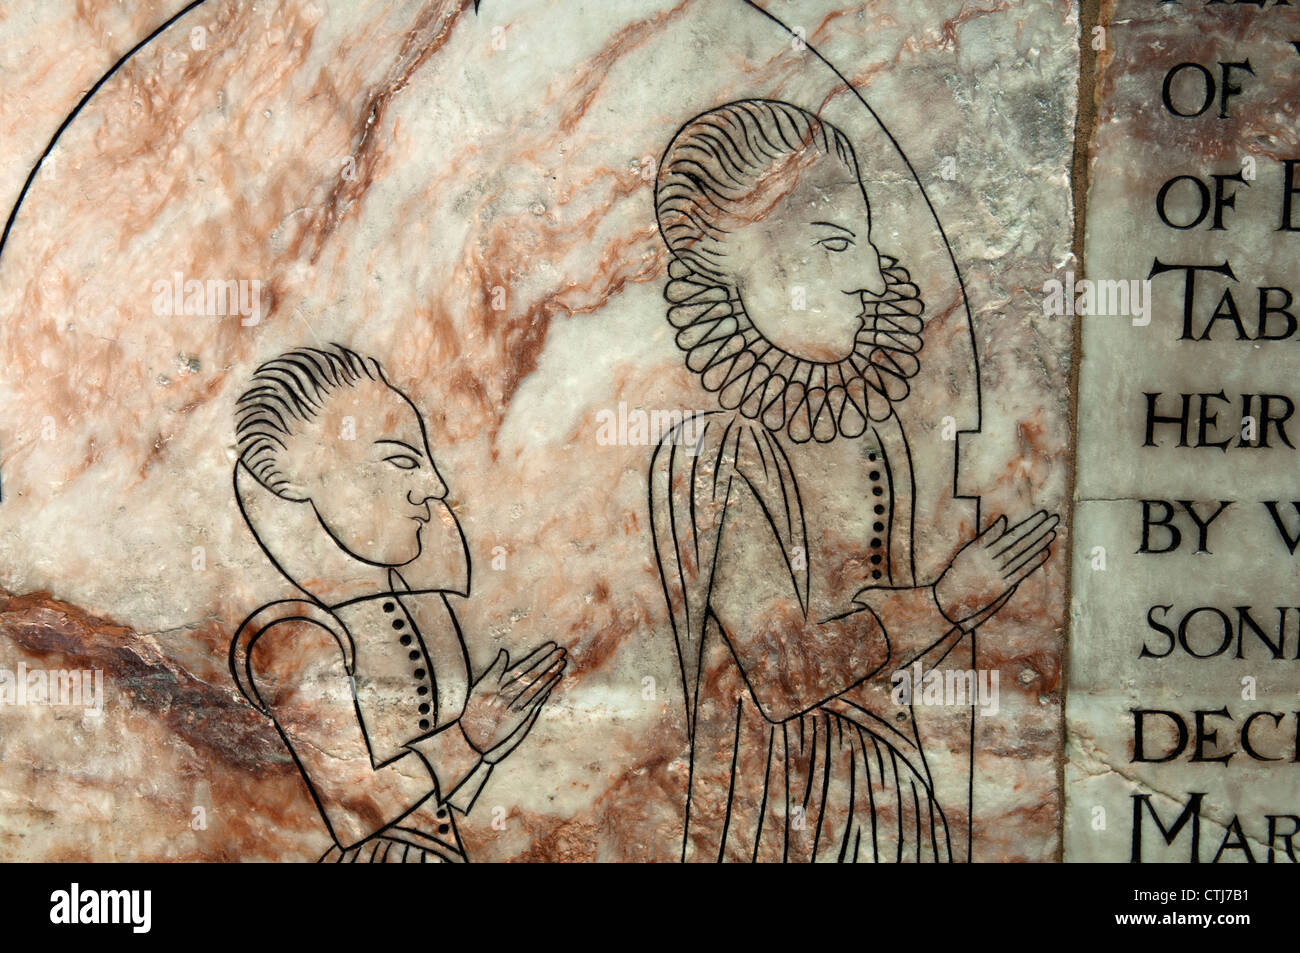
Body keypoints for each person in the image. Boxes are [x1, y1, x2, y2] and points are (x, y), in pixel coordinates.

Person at [650, 100, 1057, 862]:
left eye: (867, 244)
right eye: (837, 243)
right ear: (733, 255)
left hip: (886, 796)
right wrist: (944, 601)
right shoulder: (716, 450)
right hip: (781, 813)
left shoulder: (873, 431)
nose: (873, 276)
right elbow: (783, 675)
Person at [230, 344, 565, 862]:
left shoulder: (422, 607)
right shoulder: (291, 632)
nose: (434, 485)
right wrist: (470, 737)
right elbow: (352, 808)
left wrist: (492, 742)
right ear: (298, 475)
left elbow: (439, 799)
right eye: (401, 459)